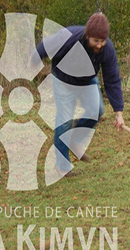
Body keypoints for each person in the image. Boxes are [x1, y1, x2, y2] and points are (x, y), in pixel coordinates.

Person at [36, 12, 125, 176]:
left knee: (96, 110)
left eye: (102, 41)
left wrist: (118, 112)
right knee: (65, 121)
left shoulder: (107, 49)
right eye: (96, 41)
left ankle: (74, 139)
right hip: (63, 81)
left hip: (87, 80)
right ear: (87, 35)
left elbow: (112, 79)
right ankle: (62, 166)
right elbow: (45, 46)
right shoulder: (70, 37)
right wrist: (34, 60)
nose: (99, 45)